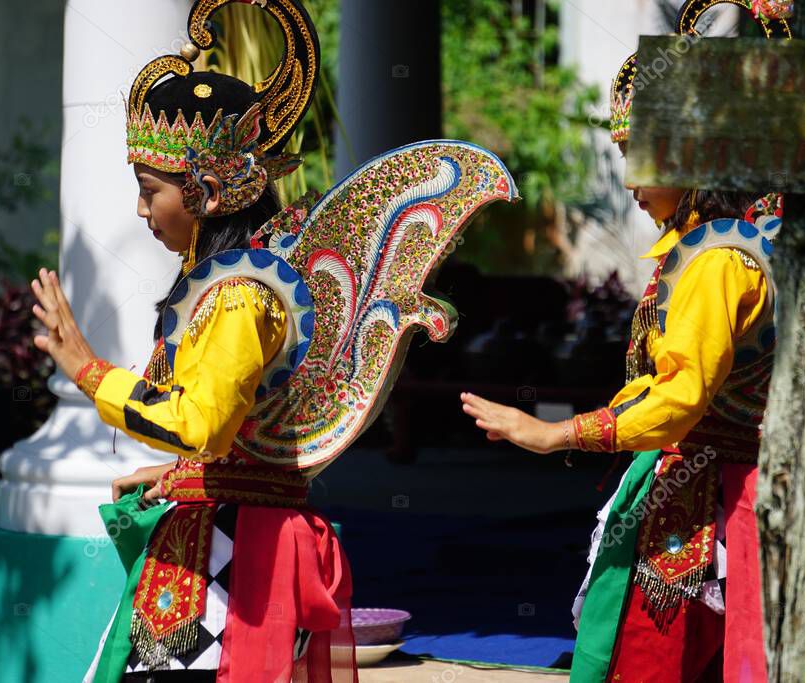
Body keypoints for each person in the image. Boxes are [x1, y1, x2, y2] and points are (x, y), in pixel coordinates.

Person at [31, 1, 518, 682]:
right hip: (222, 532)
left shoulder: (240, 297)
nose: (142, 210)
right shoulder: (226, 286)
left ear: (203, 192)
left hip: (238, 555)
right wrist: (179, 477)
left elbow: (202, 420)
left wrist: (89, 371)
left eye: (150, 191)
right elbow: (237, 437)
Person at [460, 1, 791, 680]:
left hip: (712, 507)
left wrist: (556, 433)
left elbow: (679, 398)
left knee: (660, 659)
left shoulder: (719, 263)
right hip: (695, 489)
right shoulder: (703, 249)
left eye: (635, 156)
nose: (630, 181)